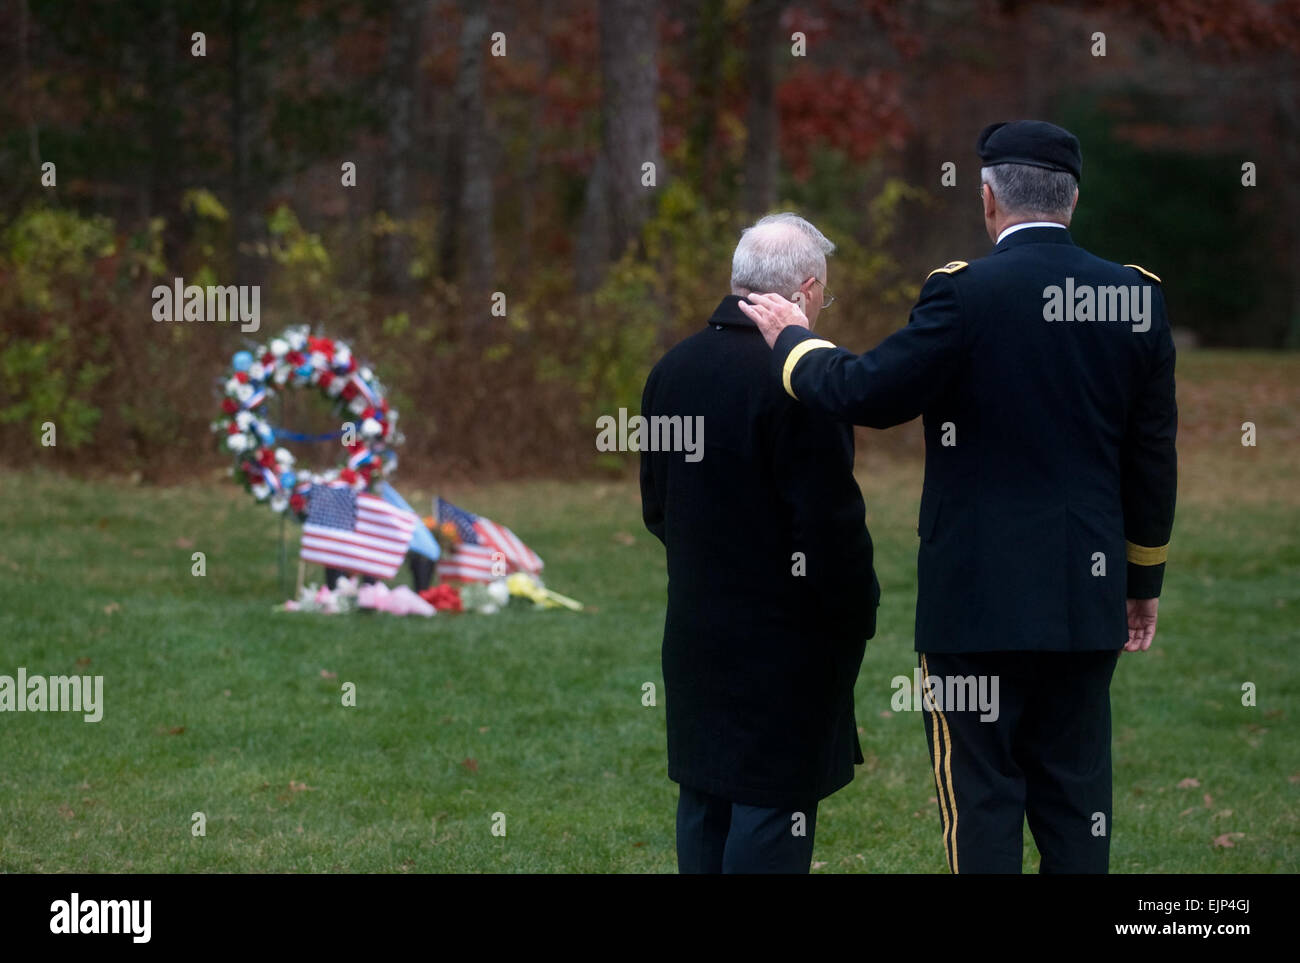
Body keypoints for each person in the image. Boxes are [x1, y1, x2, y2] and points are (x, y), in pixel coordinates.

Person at [737, 121, 1177, 874]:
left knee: (982, 799)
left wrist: (792, 340)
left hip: (978, 598)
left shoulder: (963, 293)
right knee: (1078, 798)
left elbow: (866, 392)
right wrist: (1142, 582)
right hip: (1085, 591)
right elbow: (1151, 459)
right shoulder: (1134, 296)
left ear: (987, 198)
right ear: (1072, 198)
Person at [640, 213, 880, 873]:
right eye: (823, 296)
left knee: (707, 797)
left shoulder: (672, 371)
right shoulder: (804, 382)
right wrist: (857, 612)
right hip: (789, 638)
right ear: (804, 290)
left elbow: (656, 507)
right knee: (773, 805)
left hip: (696, 628)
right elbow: (829, 526)